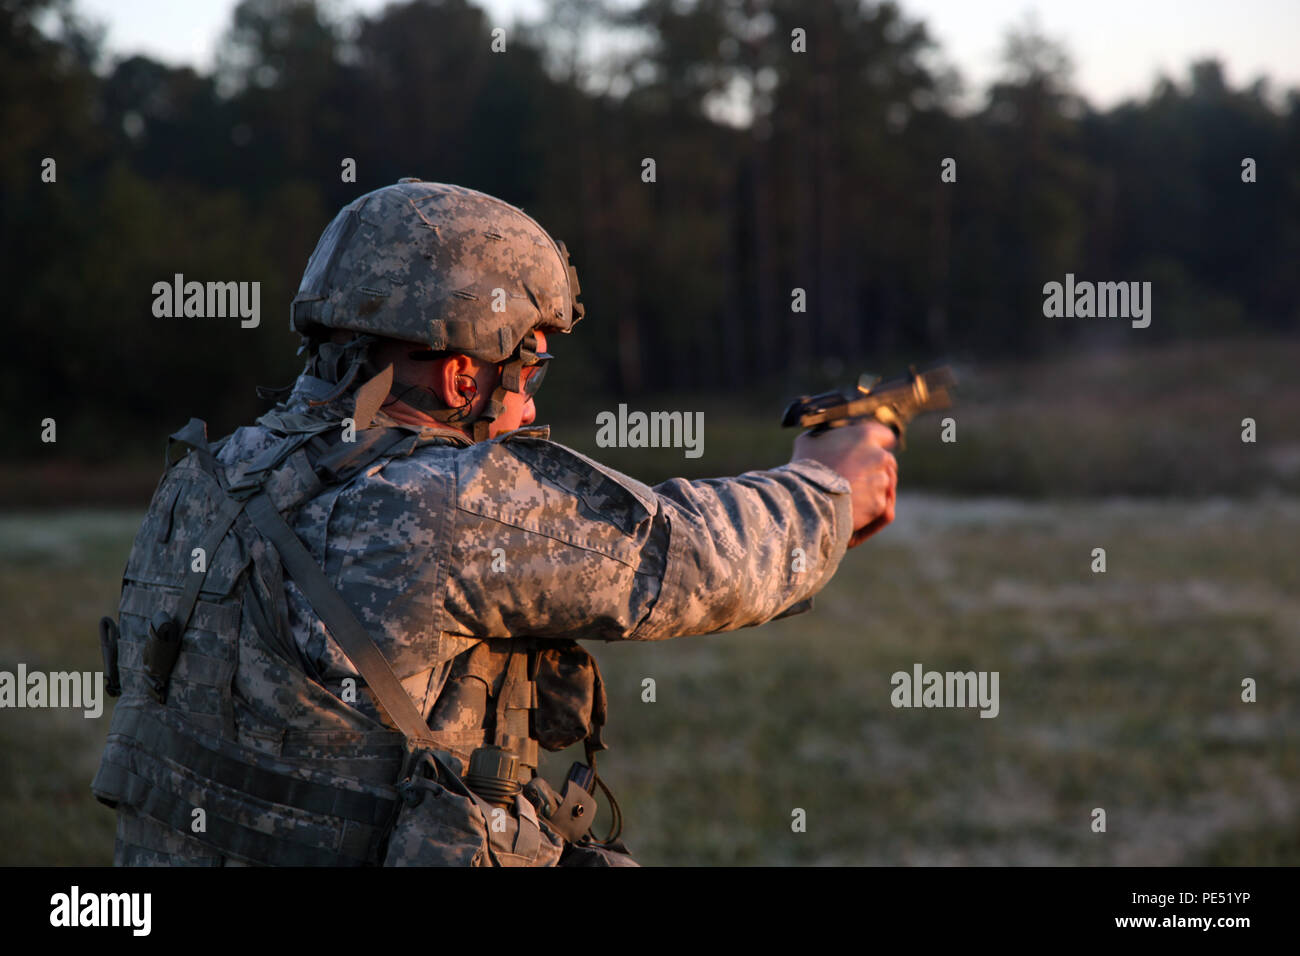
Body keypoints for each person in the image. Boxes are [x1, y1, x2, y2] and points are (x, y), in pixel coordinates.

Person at [92, 179, 897, 867]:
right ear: (462, 373)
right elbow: (692, 559)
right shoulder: (432, 503)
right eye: (533, 362)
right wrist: (827, 484)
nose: (536, 399)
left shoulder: (204, 479)